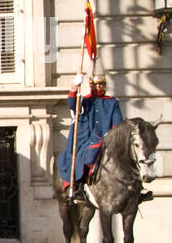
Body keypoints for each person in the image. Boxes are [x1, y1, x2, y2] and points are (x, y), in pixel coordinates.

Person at [58, 71, 150, 203]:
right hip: (88, 139)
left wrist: (111, 136)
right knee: (88, 157)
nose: (99, 87)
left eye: (101, 84)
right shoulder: (84, 101)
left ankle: (137, 189)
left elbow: (117, 123)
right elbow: (72, 104)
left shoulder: (111, 102)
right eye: (96, 85)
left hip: (108, 139)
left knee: (130, 155)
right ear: (91, 86)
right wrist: (74, 86)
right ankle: (79, 188)